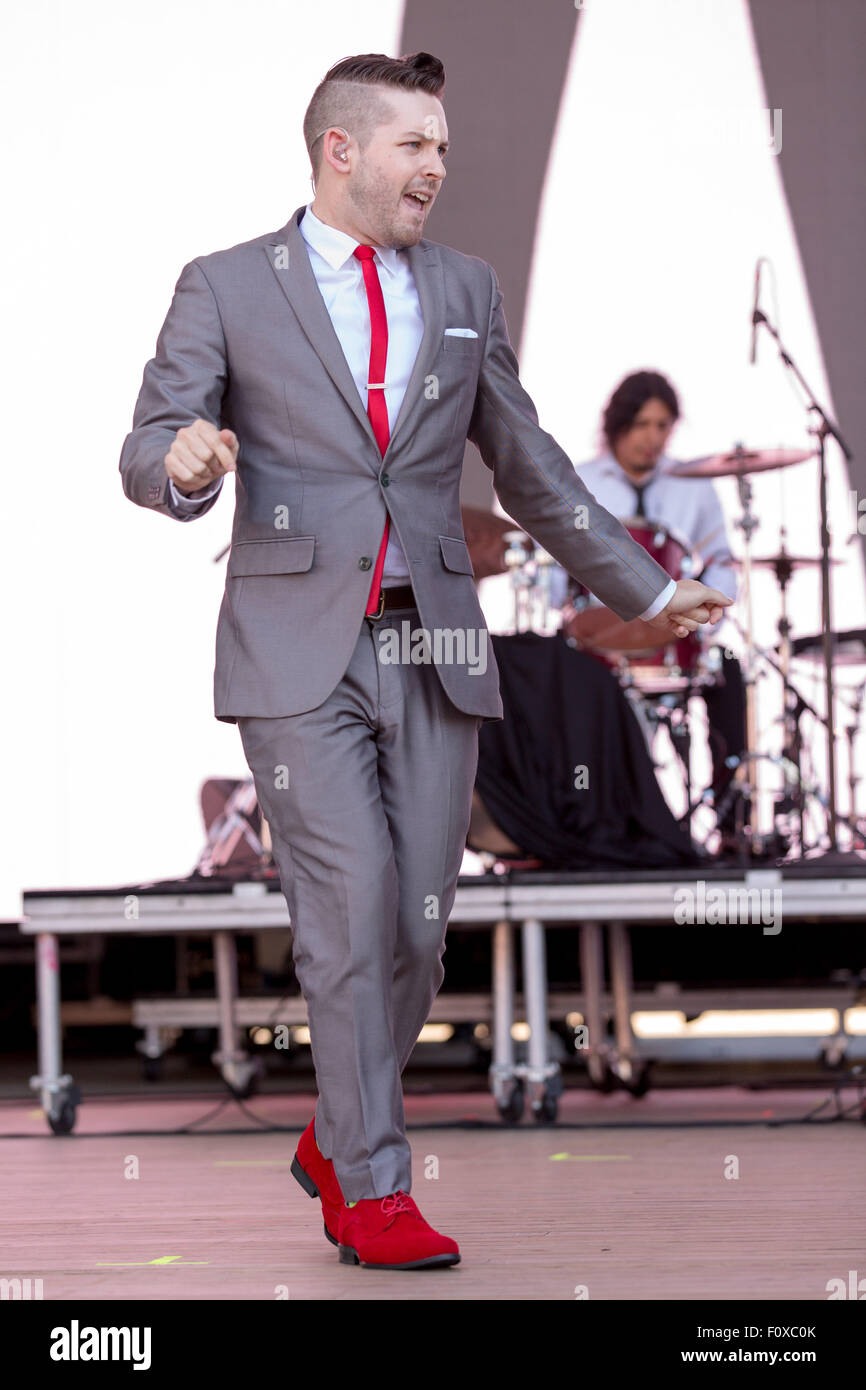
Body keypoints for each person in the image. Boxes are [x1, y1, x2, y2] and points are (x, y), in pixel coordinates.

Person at [119, 53, 731, 1271]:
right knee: (346, 916)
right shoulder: (229, 285)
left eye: (442, 147)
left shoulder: (464, 286)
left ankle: (337, 1131)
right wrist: (181, 466)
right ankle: (376, 1184)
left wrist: (648, 589)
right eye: (415, 147)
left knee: (417, 925)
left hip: (438, 636)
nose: (437, 169)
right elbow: (149, 441)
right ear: (340, 149)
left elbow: (531, 461)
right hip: (299, 642)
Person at [548, 371, 746, 841]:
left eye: (662, 426)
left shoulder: (694, 484)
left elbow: (721, 560)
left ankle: (729, 821)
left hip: (676, 637)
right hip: (601, 645)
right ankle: (586, 826)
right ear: (617, 425)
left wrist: (709, 619)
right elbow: (555, 574)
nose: (651, 438)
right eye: (641, 424)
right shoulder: (581, 480)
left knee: (732, 671)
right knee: (560, 674)